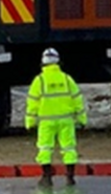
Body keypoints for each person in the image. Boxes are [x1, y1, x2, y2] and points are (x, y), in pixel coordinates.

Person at [25, 48, 87, 188]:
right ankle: (70, 178)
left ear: (43, 63)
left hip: (46, 122)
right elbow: (77, 100)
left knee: (45, 148)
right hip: (66, 121)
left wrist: (30, 122)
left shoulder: (39, 81)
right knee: (69, 148)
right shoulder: (66, 79)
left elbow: (32, 103)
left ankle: (47, 178)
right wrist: (82, 119)